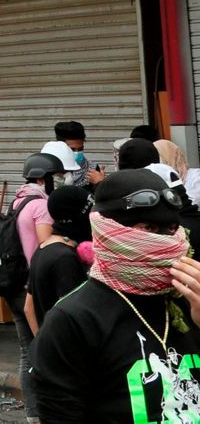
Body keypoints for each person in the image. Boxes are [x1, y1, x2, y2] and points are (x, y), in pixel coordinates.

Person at [34, 169, 200, 422]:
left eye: (172, 228)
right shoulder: (74, 318)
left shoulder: (188, 300)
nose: (165, 241)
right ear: (108, 230)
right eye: (148, 227)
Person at [6, 150, 65, 422]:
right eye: (55, 177)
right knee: (43, 351)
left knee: (26, 352)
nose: (58, 181)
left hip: (13, 284)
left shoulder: (18, 201)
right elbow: (45, 243)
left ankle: (33, 415)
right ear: (43, 179)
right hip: (33, 286)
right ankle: (43, 412)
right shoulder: (40, 205)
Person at [23, 184, 92, 333]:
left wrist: (40, 347)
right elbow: (74, 316)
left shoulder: (43, 249)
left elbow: (29, 308)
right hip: (69, 352)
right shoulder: (65, 259)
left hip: (52, 350)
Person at [54, 120, 103, 187]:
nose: (77, 153)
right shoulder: (50, 170)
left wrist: (100, 183)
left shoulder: (93, 171)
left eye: (80, 149)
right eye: (72, 149)